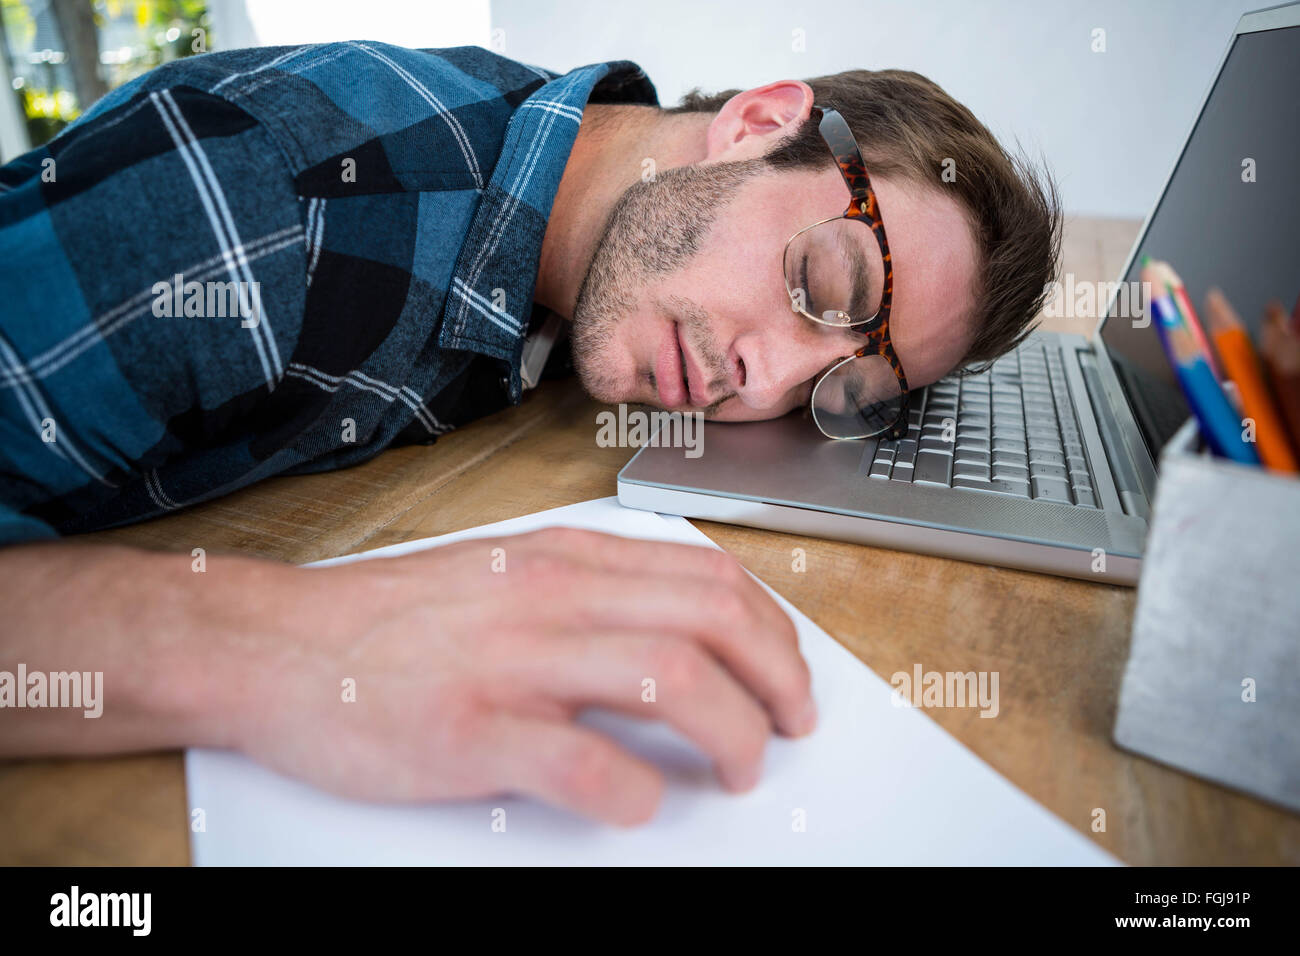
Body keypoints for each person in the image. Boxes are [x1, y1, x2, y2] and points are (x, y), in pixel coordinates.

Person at [0, 42, 1059, 824]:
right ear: (758, 120)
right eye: (822, 282)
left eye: (840, 386)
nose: (766, 378)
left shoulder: (574, 210)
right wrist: (290, 642)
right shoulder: (273, 204)